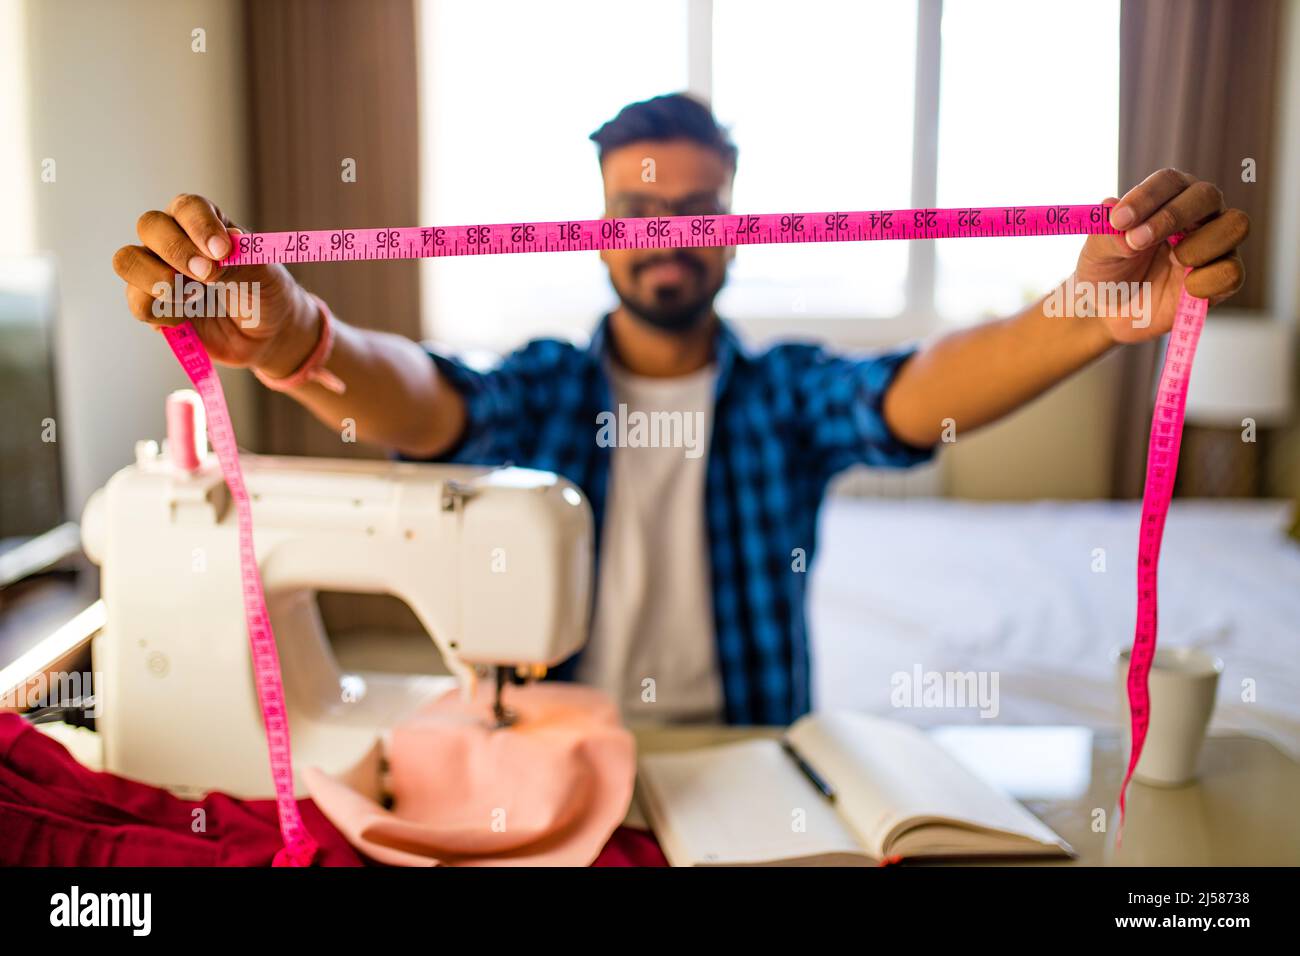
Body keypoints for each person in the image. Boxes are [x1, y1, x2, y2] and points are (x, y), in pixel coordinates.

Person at [111, 93, 1248, 726]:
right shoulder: (548, 387)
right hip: (556, 757)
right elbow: (423, 401)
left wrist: (1089, 306)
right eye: (635, 210)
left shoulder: (784, 394)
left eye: (699, 206)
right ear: (596, 224)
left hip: (756, 759)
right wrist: (299, 335)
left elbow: (912, 390)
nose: (666, 234)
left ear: (737, 224)